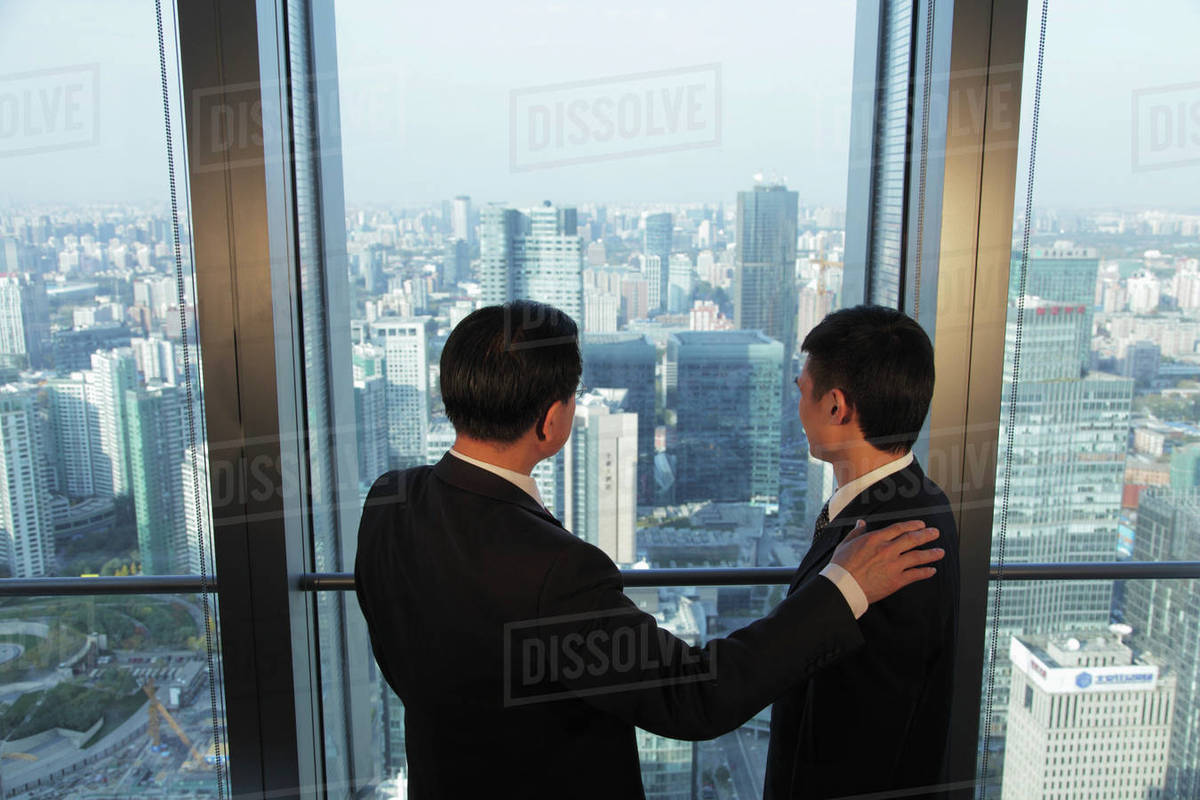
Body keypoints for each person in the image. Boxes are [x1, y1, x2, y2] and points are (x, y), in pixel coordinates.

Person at [355, 300, 945, 799]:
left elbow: (398, 640)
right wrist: (843, 590)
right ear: (554, 421)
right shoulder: (557, 571)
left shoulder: (388, 503)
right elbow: (694, 696)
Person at [764, 305, 961, 800]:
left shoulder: (891, 547)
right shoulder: (915, 502)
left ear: (837, 407)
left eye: (802, 391)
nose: (798, 405)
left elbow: (855, 740)